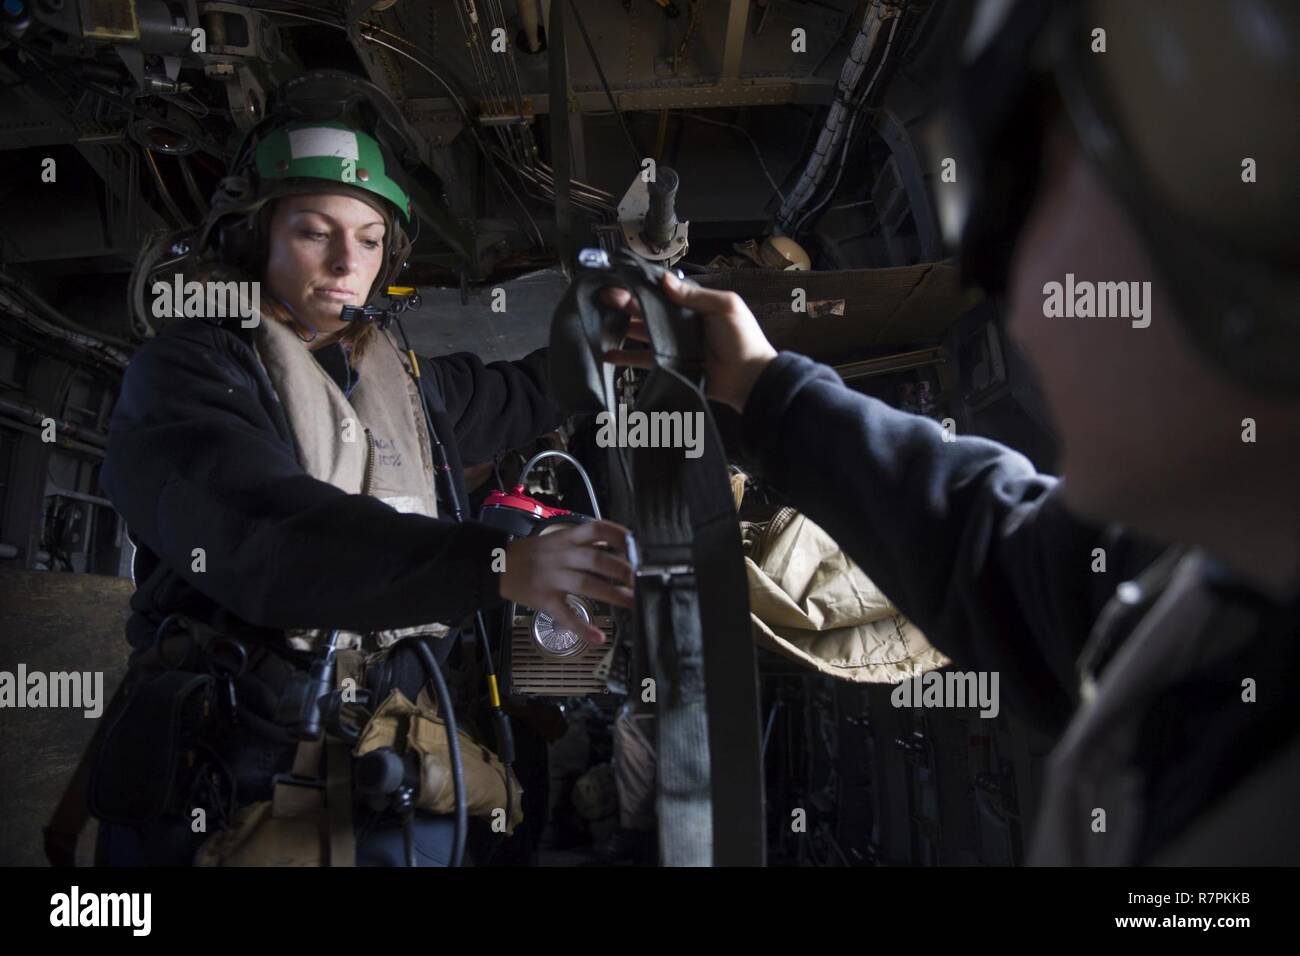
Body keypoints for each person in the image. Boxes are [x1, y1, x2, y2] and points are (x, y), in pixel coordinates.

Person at [603, 0, 1300, 864]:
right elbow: (994, 548)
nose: (1024, 294)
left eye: (1026, 201)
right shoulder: (1197, 594)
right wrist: (765, 390)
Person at [91, 78, 634, 866]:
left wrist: (606, 340)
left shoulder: (401, 380)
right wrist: (495, 564)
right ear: (253, 241)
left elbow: (520, 391)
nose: (350, 262)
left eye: (372, 239)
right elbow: (270, 535)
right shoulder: (184, 376)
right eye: (316, 232)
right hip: (232, 775)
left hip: (382, 747)